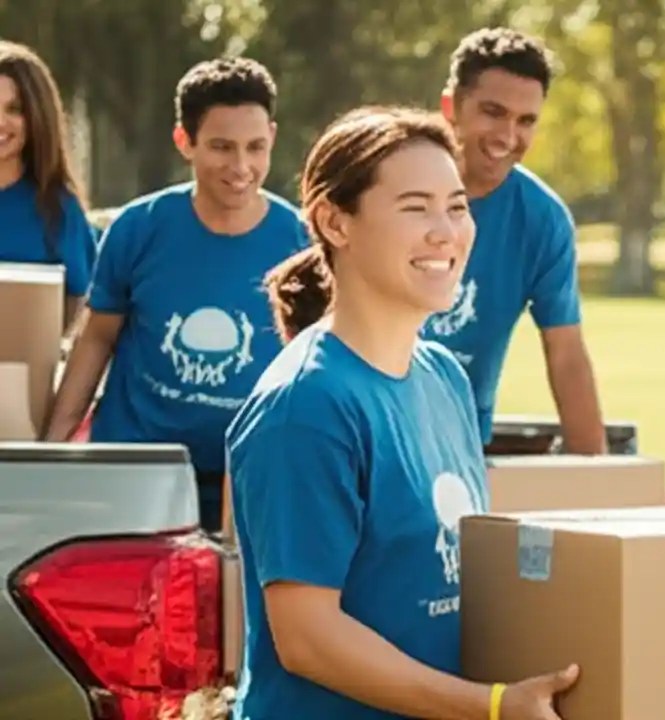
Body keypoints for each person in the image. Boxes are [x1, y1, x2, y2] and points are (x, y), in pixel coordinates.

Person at [226, 104, 579, 720]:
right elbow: (308, 638)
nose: (446, 231)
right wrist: (490, 706)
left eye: (457, 205)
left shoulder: (443, 377)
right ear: (335, 221)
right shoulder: (306, 406)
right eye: (415, 207)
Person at [43, 57, 308, 534]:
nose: (241, 167)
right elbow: (96, 339)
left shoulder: (300, 241)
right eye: (222, 147)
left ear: (272, 134)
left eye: (256, 147)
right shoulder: (137, 228)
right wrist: (52, 449)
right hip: (136, 472)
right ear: (185, 141)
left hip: (245, 479)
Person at [428, 27, 606, 454]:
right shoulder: (385, 183)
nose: (508, 137)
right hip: (364, 433)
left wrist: (601, 483)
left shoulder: (543, 220)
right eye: (493, 111)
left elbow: (566, 355)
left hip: (463, 446)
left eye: (526, 121)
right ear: (451, 106)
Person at [0, 40, 97, 333]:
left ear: (36, 117)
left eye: (14, 109)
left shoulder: (59, 211)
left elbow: (83, 323)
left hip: (23, 377)